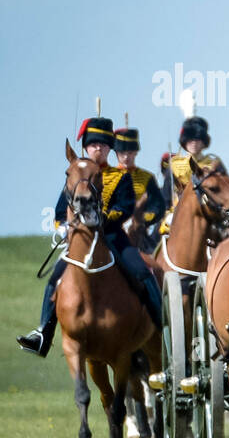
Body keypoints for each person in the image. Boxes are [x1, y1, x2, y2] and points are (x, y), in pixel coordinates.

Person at [17, 116, 162, 356]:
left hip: (113, 237)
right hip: (80, 241)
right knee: (54, 279)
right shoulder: (75, 174)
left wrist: (106, 220)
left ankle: (161, 325)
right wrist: (64, 227)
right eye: (94, 144)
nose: (99, 148)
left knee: (143, 272)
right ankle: (43, 333)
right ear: (85, 147)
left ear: (109, 148)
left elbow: (126, 206)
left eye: (104, 145)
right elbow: (59, 210)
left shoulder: (119, 176)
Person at [113, 126, 166, 250]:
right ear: (116, 153)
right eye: (122, 153)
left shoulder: (147, 178)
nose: (126, 157)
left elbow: (157, 206)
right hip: (115, 230)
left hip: (140, 232)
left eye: (130, 153)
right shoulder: (107, 176)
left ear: (136, 153)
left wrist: (142, 218)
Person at [162, 116, 224, 212]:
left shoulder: (214, 164)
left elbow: (223, 192)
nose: (194, 143)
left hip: (210, 211)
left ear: (204, 142)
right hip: (178, 211)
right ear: (185, 141)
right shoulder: (174, 165)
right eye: (190, 140)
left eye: (197, 140)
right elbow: (166, 197)